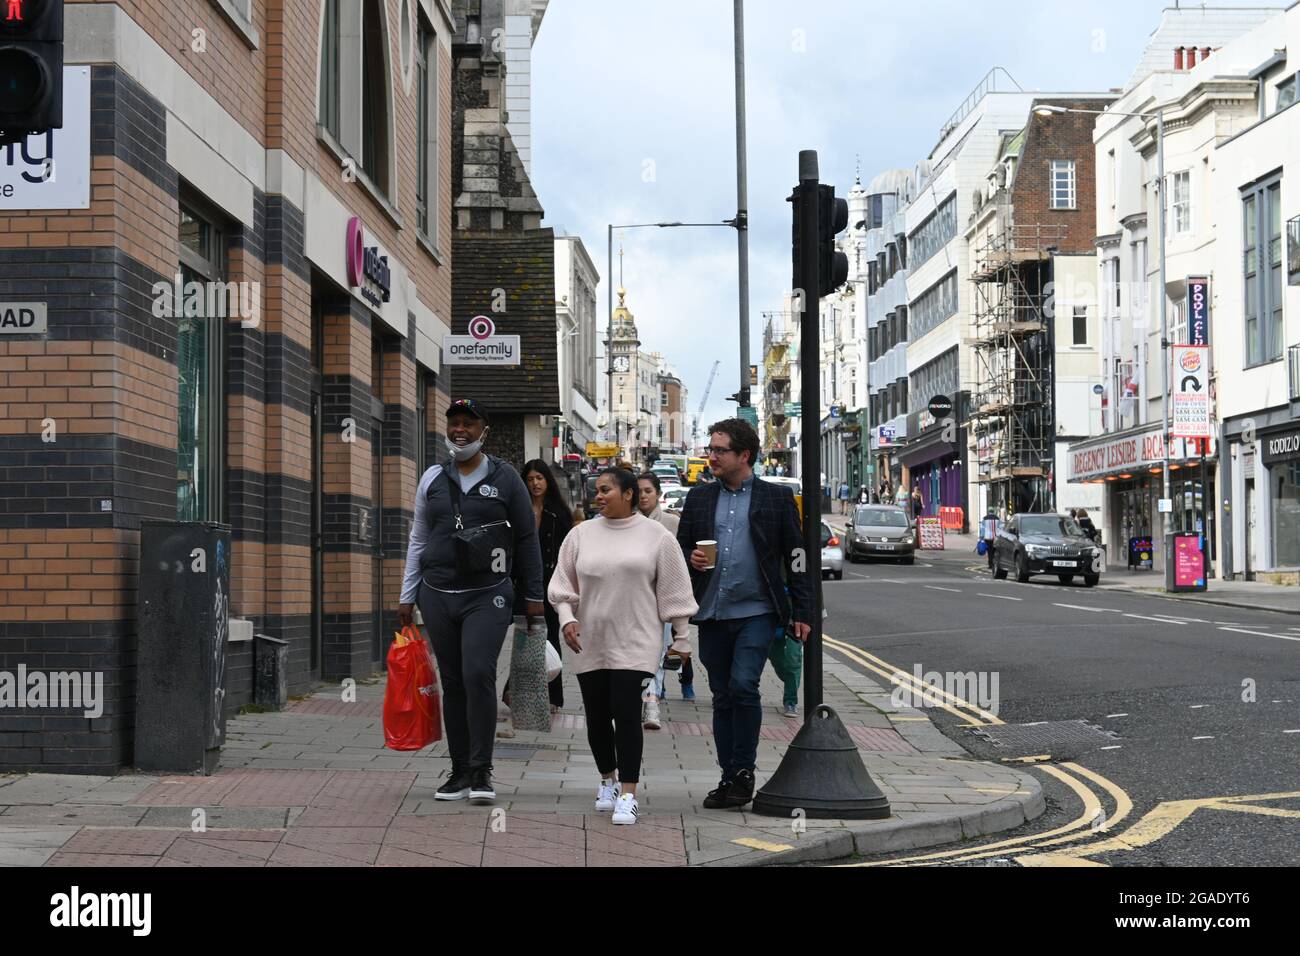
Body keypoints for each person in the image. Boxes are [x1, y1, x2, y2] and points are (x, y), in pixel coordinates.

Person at [399, 399, 544, 805]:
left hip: (488, 594)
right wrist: (406, 596)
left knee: (478, 671)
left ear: (484, 431)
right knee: (454, 681)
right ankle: (459, 769)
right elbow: (418, 539)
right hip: (438, 593)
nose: (460, 430)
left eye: (469, 424)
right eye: (454, 423)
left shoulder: (506, 477)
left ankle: (482, 771)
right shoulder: (432, 477)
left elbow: (526, 539)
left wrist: (533, 596)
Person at [548, 468, 698, 826]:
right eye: (596, 490)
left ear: (629, 493)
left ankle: (629, 794)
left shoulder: (657, 537)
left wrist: (681, 638)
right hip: (589, 639)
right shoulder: (580, 534)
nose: (598, 496)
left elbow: (675, 592)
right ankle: (607, 782)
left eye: (606, 490)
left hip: (637, 639)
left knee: (627, 712)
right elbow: (562, 585)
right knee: (597, 715)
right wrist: (567, 617)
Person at [678, 418, 813, 810]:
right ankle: (729, 777)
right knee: (721, 697)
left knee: (742, 685)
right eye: (711, 448)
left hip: (758, 611)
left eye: (720, 450)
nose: (711, 456)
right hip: (713, 611)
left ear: (744, 455)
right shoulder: (700, 498)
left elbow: (798, 557)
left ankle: (744, 771)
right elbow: (681, 548)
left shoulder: (775, 499)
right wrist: (692, 558)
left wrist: (802, 609)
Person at [637, 473, 696, 729]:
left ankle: (652, 700)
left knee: (659, 651)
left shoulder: (671, 523)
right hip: (635, 600)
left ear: (658, 493)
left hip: (663, 600)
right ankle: (642, 697)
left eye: (648, 490)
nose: (643, 496)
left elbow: (682, 559)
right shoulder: (627, 523)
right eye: (638, 491)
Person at [519, 459, 573, 710]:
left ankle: (553, 696)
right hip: (523, 582)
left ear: (547, 480)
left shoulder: (558, 513)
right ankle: (518, 691)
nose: (535, 484)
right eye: (530, 479)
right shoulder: (518, 509)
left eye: (539, 478)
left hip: (550, 583)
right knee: (525, 635)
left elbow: (567, 553)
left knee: (550, 636)